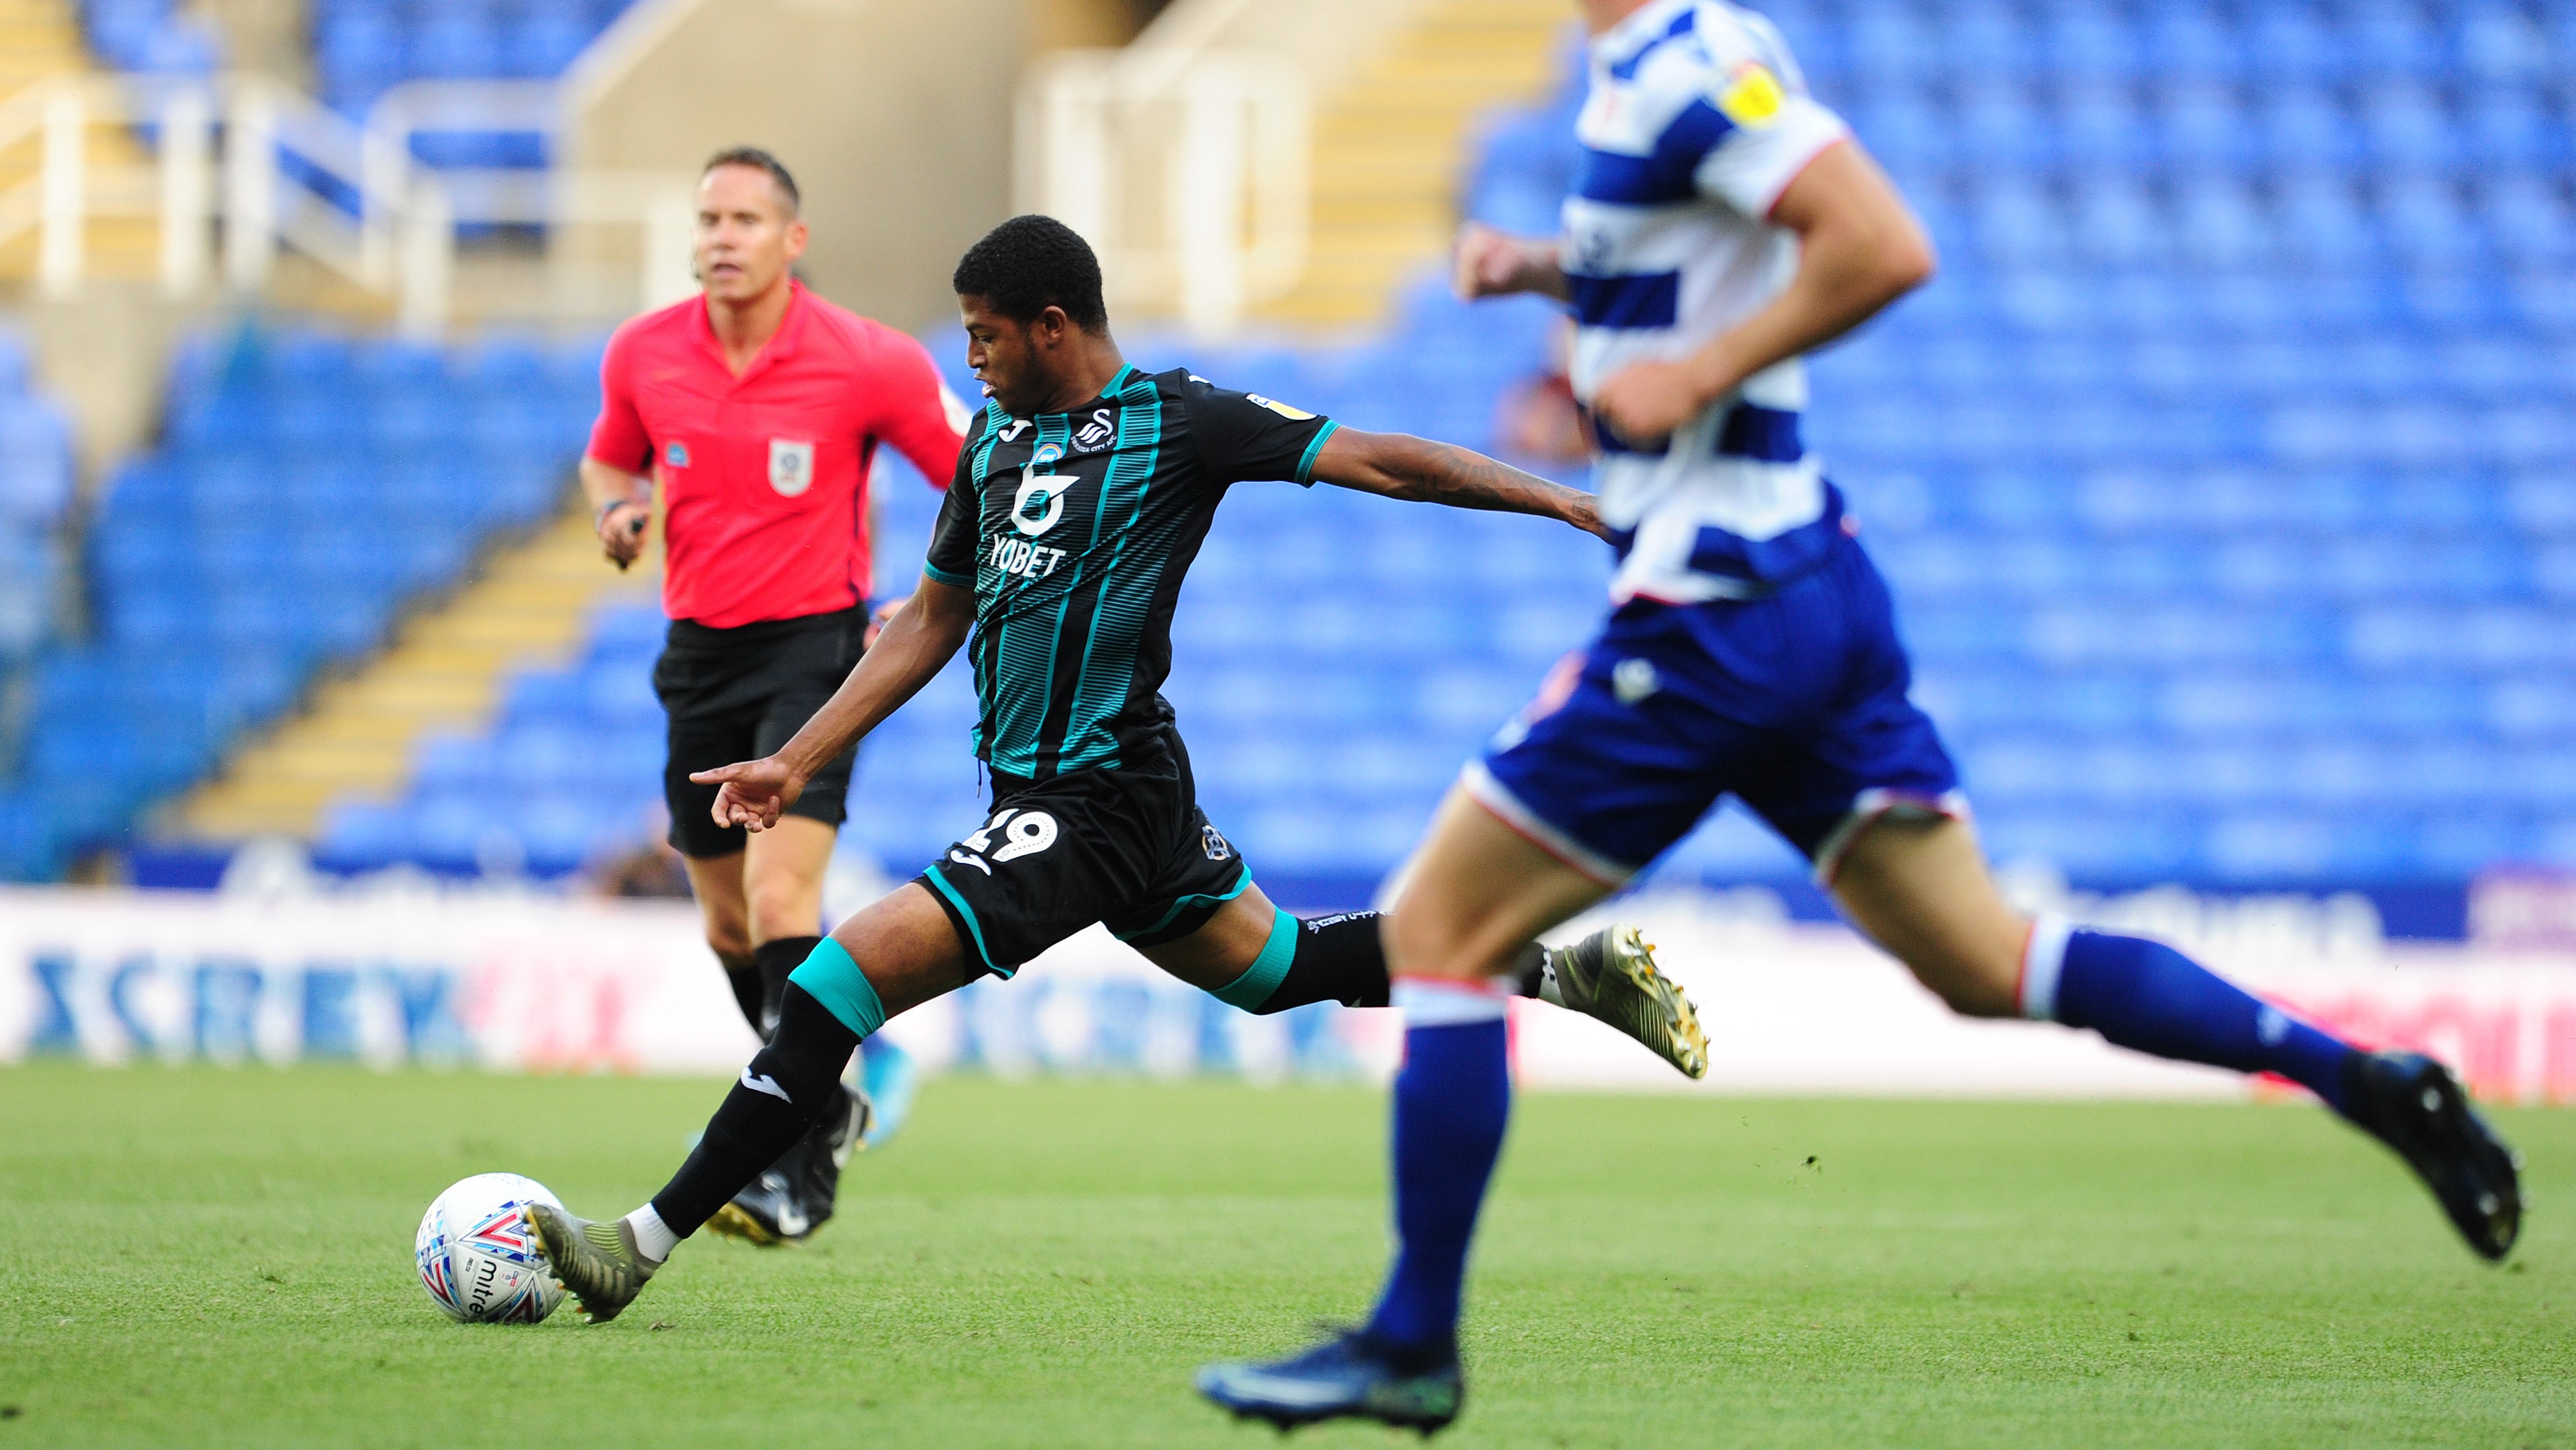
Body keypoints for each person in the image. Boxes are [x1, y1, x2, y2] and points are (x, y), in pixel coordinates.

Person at [1194, 0, 2525, 1433]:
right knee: (1984, 959)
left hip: (1714, 610)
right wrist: (1542, 268)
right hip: (1810, 583)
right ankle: (2364, 1078)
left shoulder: (1676, 64)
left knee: (1439, 931)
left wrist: (1690, 375)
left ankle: (1410, 1341)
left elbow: (1881, 242)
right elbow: (1709, 245)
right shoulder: (1700, 52)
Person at [527, 214, 1713, 1323]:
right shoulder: (990, 442)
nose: (972, 359)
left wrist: (1559, 499)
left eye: (987, 335)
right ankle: (1568, 974)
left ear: (1053, 325)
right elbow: (933, 620)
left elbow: (1385, 462)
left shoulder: (1179, 422)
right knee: (1284, 969)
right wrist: (795, 760)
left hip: (1094, 797)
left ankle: (634, 1245)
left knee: (838, 981)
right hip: (1108, 793)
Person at [582, 146, 965, 1246]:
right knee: (726, 919)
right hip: (697, 653)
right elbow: (610, 462)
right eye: (708, 217)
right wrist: (615, 512)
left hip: (818, 657)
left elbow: (977, 472)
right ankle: (828, 1091)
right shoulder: (644, 353)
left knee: (782, 900)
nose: (721, 236)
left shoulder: (868, 361)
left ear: (792, 241)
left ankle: (797, 1172)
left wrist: (928, 593)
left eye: (746, 219)